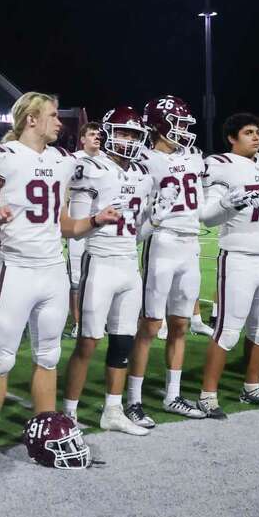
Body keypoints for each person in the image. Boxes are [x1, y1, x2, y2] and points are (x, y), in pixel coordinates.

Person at [0, 93, 118, 454]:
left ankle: (45, 431)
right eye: (52, 115)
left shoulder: (61, 161)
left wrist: (96, 221)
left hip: (53, 267)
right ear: (31, 120)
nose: (60, 122)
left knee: (49, 355)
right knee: (3, 356)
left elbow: (64, 224)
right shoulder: (1, 156)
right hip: (17, 267)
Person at [65, 106, 181, 433]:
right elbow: (74, 226)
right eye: (122, 132)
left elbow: (138, 232)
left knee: (122, 343)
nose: (128, 139)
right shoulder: (89, 167)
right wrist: (96, 219)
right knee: (88, 342)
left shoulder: (143, 176)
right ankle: (70, 413)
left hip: (129, 263)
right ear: (108, 132)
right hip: (100, 260)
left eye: (133, 133)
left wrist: (156, 216)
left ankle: (112, 410)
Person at [197, 113, 259, 418]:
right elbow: (207, 217)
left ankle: (251, 387)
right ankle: (207, 394)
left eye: (258, 131)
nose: (256, 136)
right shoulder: (220, 165)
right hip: (238, 258)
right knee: (228, 330)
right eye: (248, 132)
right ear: (232, 138)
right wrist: (229, 203)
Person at [128, 96, 209, 419]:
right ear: (159, 125)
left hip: (190, 245)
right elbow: (137, 225)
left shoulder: (193, 159)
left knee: (181, 324)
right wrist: (157, 218)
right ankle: (133, 399)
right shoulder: (144, 160)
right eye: (178, 123)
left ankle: (172, 395)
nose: (184, 131)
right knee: (150, 325)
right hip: (161, 243)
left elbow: (203, 211)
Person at [68, 122, 104, 338]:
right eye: (91, 134)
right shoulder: (72, 160)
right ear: (82, 139)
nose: (96, 137)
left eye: (99, 134)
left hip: (101, 226)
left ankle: (101, 319)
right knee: (76, 278)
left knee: (100, 275)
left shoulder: (108, 160)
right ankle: (78, 322)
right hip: (78, 223)